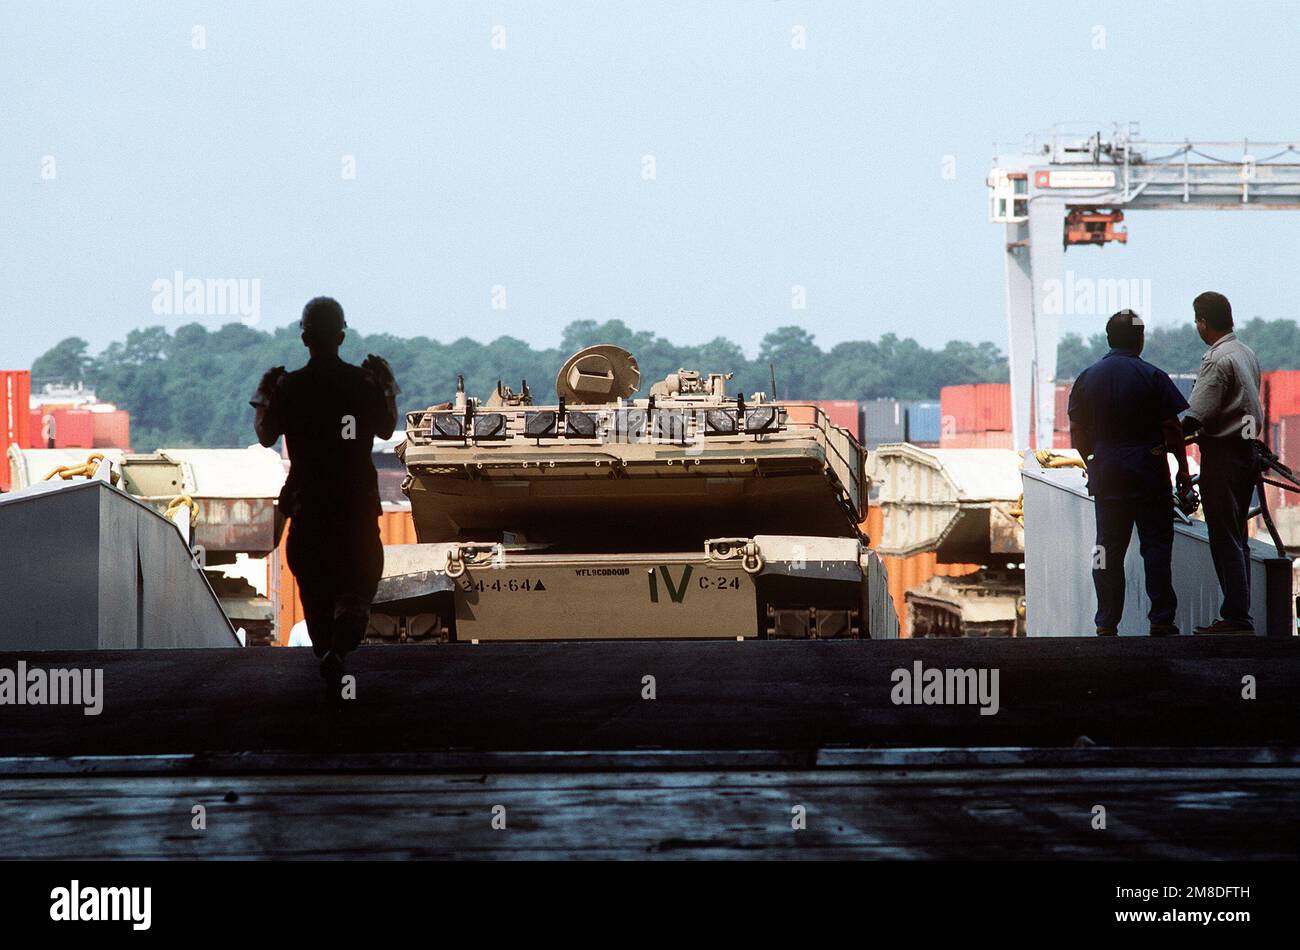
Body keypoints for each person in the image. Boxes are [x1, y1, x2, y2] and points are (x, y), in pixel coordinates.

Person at [251, 297, 399, 695]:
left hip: (308, 503)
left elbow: (265, 436)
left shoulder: (291, 387)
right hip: (353, 501)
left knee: (315, 594)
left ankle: (328, 654)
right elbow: (387, 430)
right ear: (341, 336)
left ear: (305, 338)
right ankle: (341, 644)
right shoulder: (360, 384)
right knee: (359, 581)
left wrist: (265, 396)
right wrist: (387, 387)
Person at [1068, 309, 1191, 636]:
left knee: (1106, 551)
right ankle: (1161, 619)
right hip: (1149, 471)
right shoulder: (1153, 376)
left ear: (1109, 339)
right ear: (1140, 339)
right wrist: (1181, 470)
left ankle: (1107, 621)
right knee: (1156, 547)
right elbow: (1172, 428)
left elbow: (1077, 431)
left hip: (1107, 475)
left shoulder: (1086, 378)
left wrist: (1093, 460)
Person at [1182, 291, 1263, 635]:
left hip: (1223, 456)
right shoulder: (1246, 353)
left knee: (1224, 536)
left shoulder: (1216, 360)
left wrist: (1161, 441)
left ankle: (1235, 616)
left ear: (1202, 322)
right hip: (1246, 456)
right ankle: (1239, 612)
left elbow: (1196, 416)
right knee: (1238, 535)